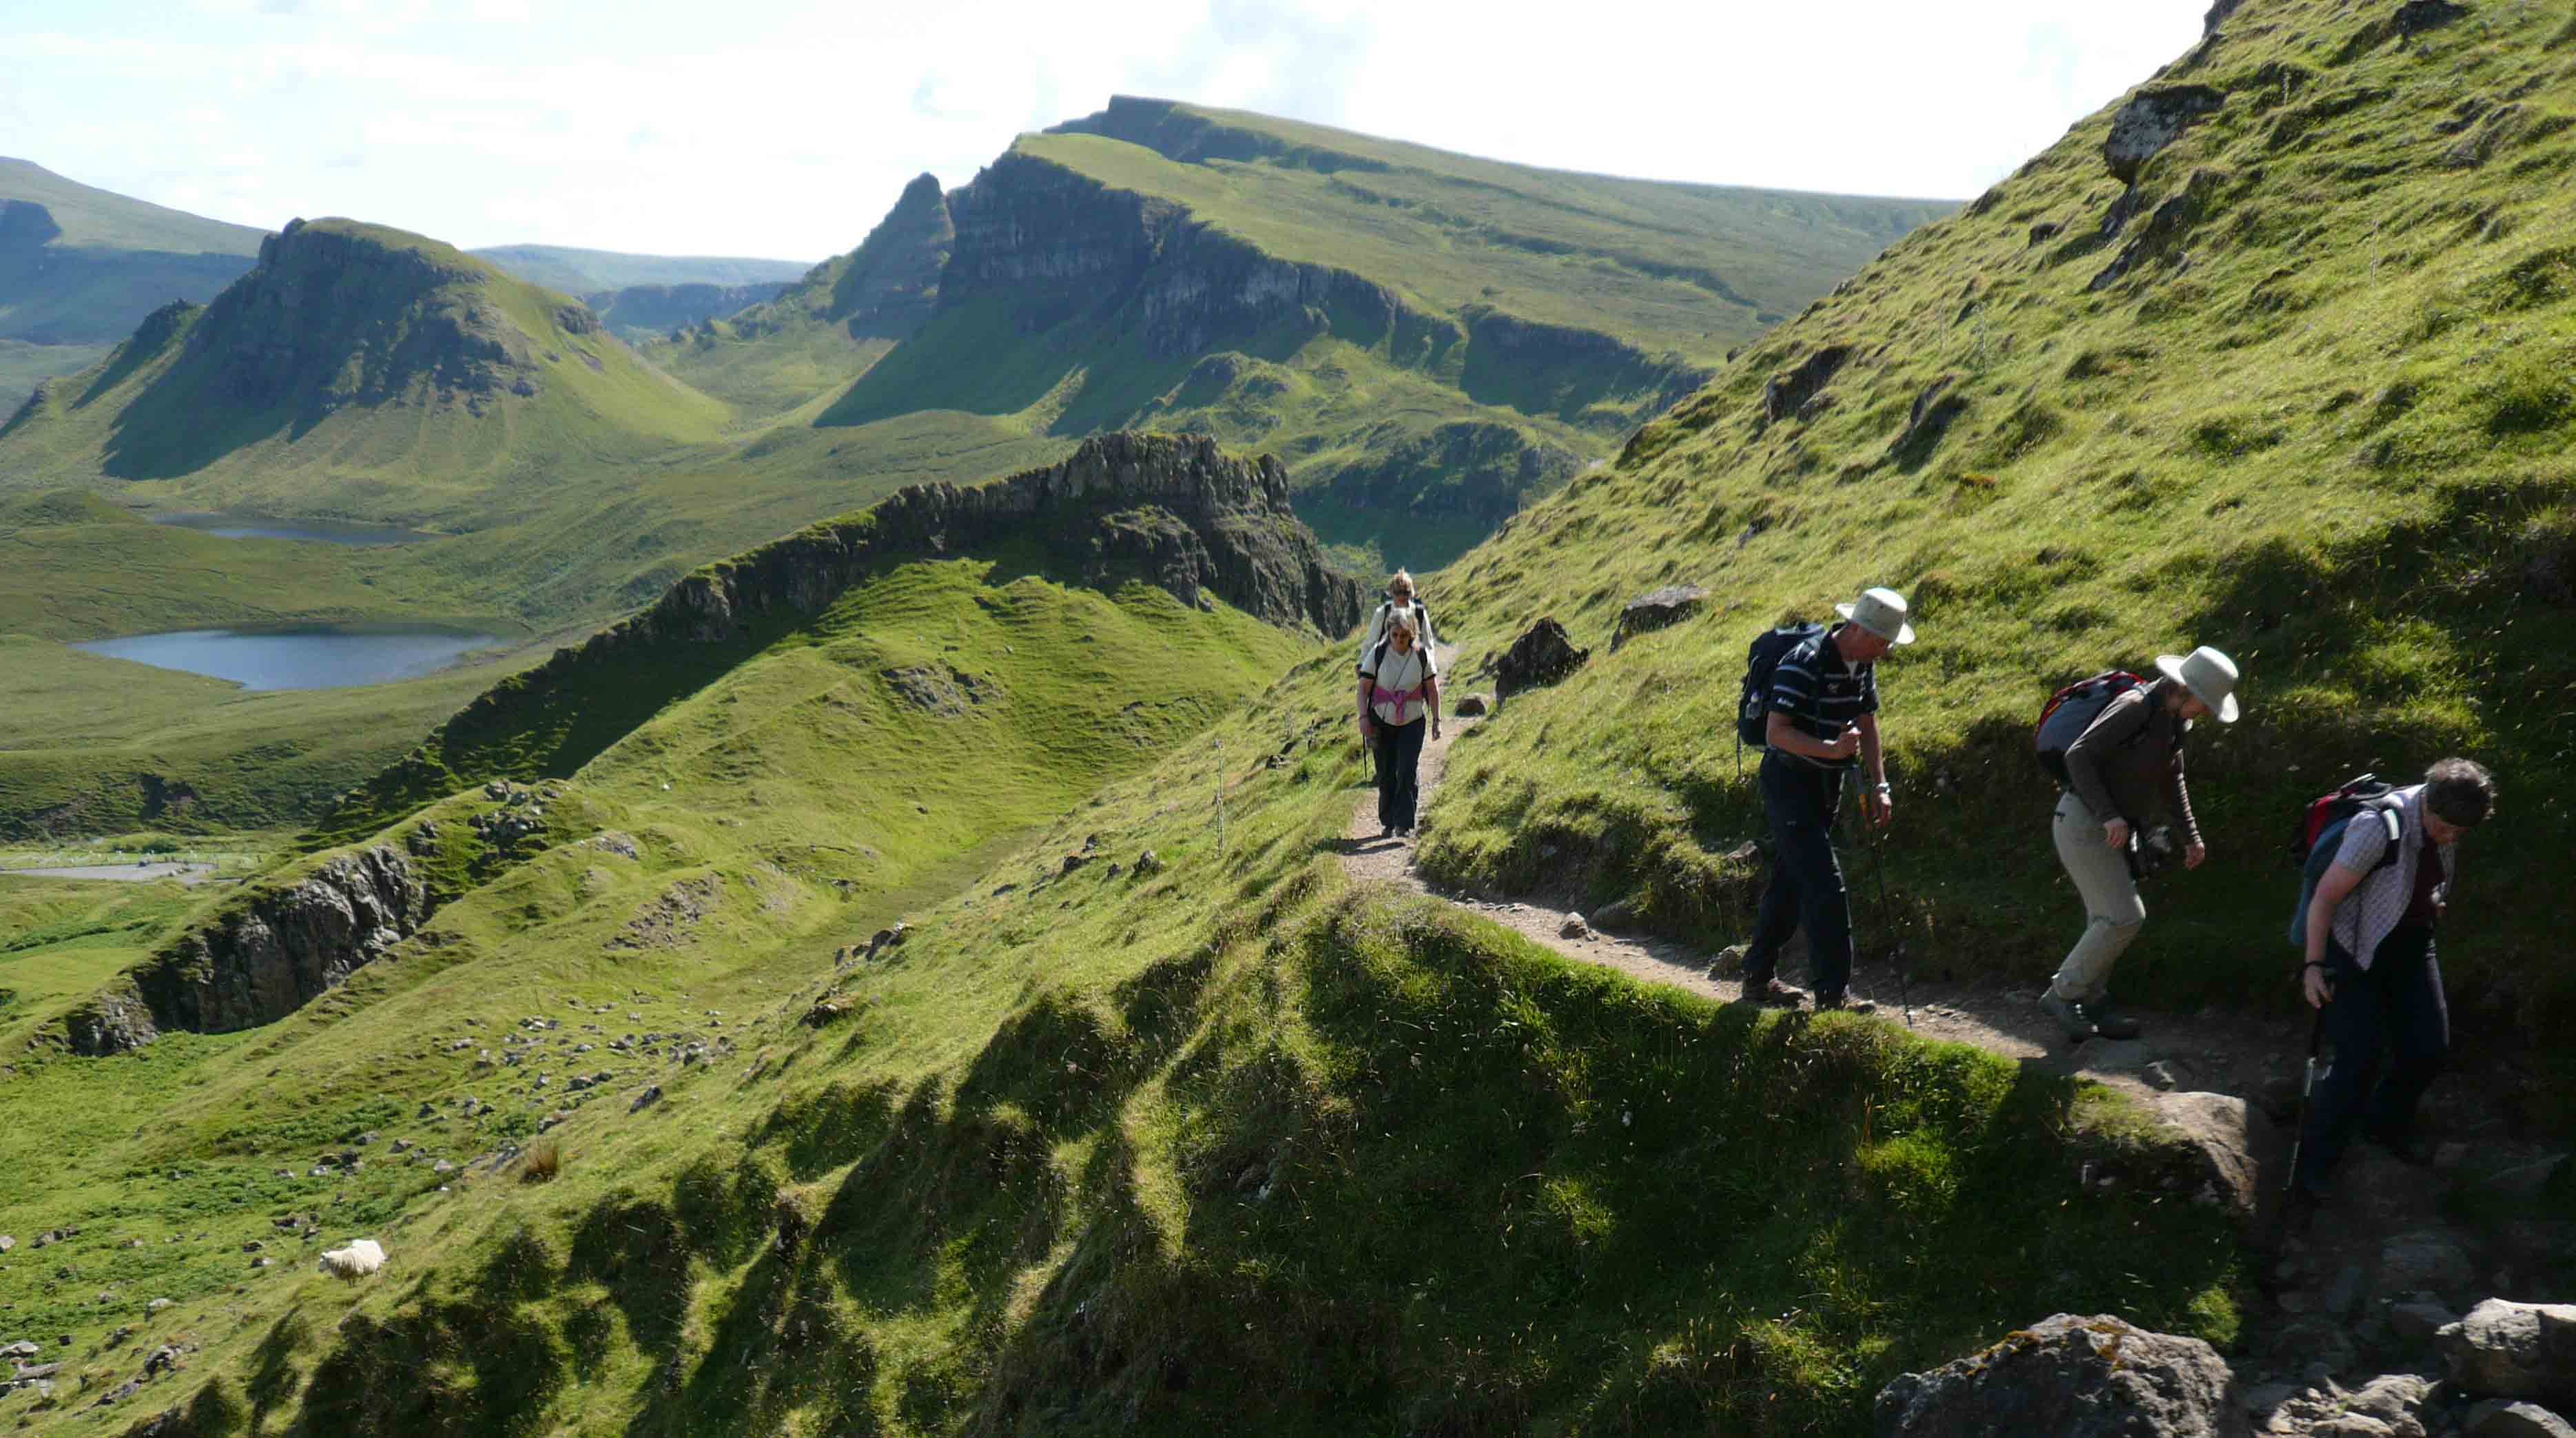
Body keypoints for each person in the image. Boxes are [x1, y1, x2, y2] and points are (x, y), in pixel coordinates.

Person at [2291, 758, 2495, 1200]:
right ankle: (2314, 1166)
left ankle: (2381, 1128)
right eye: (2447, 829)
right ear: (2428, 804)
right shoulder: (2377, 827)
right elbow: (2325, 898)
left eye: (2462, 833)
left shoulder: (2448, 817)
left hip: (2411, 944)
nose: (2453, 838)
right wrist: (2312, 966)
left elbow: (2428, 875)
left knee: (2427, 1049)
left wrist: (2433, 901)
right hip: (2352, 946)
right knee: (2358, 1058)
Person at [2039, 646, 2240, 1043]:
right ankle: (2062, 994)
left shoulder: (2173, 723)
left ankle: (2093, 1001)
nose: (2207, 712)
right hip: (2082, 821)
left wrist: (2192, 836)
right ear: (2185, 689)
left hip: (2110, 826)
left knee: (2105, 919)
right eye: (2206, 704)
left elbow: (2172, 781)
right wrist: (2108, 815)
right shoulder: (2134, 706)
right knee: (2124, 917)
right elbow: (2079, 755)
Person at [1738, 586, 1912, 1013]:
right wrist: (1832, 749)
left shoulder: (1862, 666)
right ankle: (1833, 996)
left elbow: (1867, 724)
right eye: (1882, 641)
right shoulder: (1804, 663)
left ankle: (1757, 978)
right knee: (1825, 884)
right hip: (1788, 782)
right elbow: (1777, 732)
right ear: (1859, 628)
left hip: (1826, 786)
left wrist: (1880, 784)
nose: (1886, 651)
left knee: (1791, 881)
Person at [1357, 612, 1441, 839]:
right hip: (1381, 722)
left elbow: (1432, 690)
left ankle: (1403, 824)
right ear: (1389, 634)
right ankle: (1388, 821)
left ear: (1412, 634)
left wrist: (1436, 721)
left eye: (1404, 635)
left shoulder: (1422, 655)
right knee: (1386, 773)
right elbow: (1363, 688)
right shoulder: (1378, 654)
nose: (1399, 640)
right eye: (1395, 635)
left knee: (1406, 770)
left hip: (1412, 722)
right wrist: (1364, 718)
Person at [1357, 570, 1436, 677]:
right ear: (1392, 593)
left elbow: (1428, 643)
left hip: (1413, 671)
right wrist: (1362, 665)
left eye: (1406, 592)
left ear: (1411, 593)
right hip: (1385, 672)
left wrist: (1429, 671)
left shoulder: (1420, 613)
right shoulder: (1383, 613)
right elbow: (1371, 642)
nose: (1402, 596)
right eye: (1398, 592)